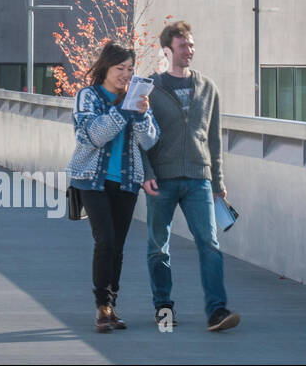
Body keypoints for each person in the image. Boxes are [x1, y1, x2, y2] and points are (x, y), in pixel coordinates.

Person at [144, 21, 240, 332]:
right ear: (168, 50)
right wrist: (146, 174)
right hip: (162, 179)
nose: (190, 51)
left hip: (200, 179)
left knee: (209, 243)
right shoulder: (150, 88)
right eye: (183, 46)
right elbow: (139, 135)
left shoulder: (208, 88)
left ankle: (217, 310)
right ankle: (163, 307)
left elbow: (214, 140)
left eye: (192, 45)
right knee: (159, 245)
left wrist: (219, 181)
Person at [66, 41, 159, 332]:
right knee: (104, 239)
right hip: (91, 180)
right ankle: (102, 307)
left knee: (117, 246)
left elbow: (150, 140)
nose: (126, 75)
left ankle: (111, 306)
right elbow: (91, 135)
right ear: (105, 67)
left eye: (131, 69)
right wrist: (123, 110)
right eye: (120, 68)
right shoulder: (88, 96)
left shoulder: (137, 98)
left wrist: (141, 115)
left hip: (127, 181)